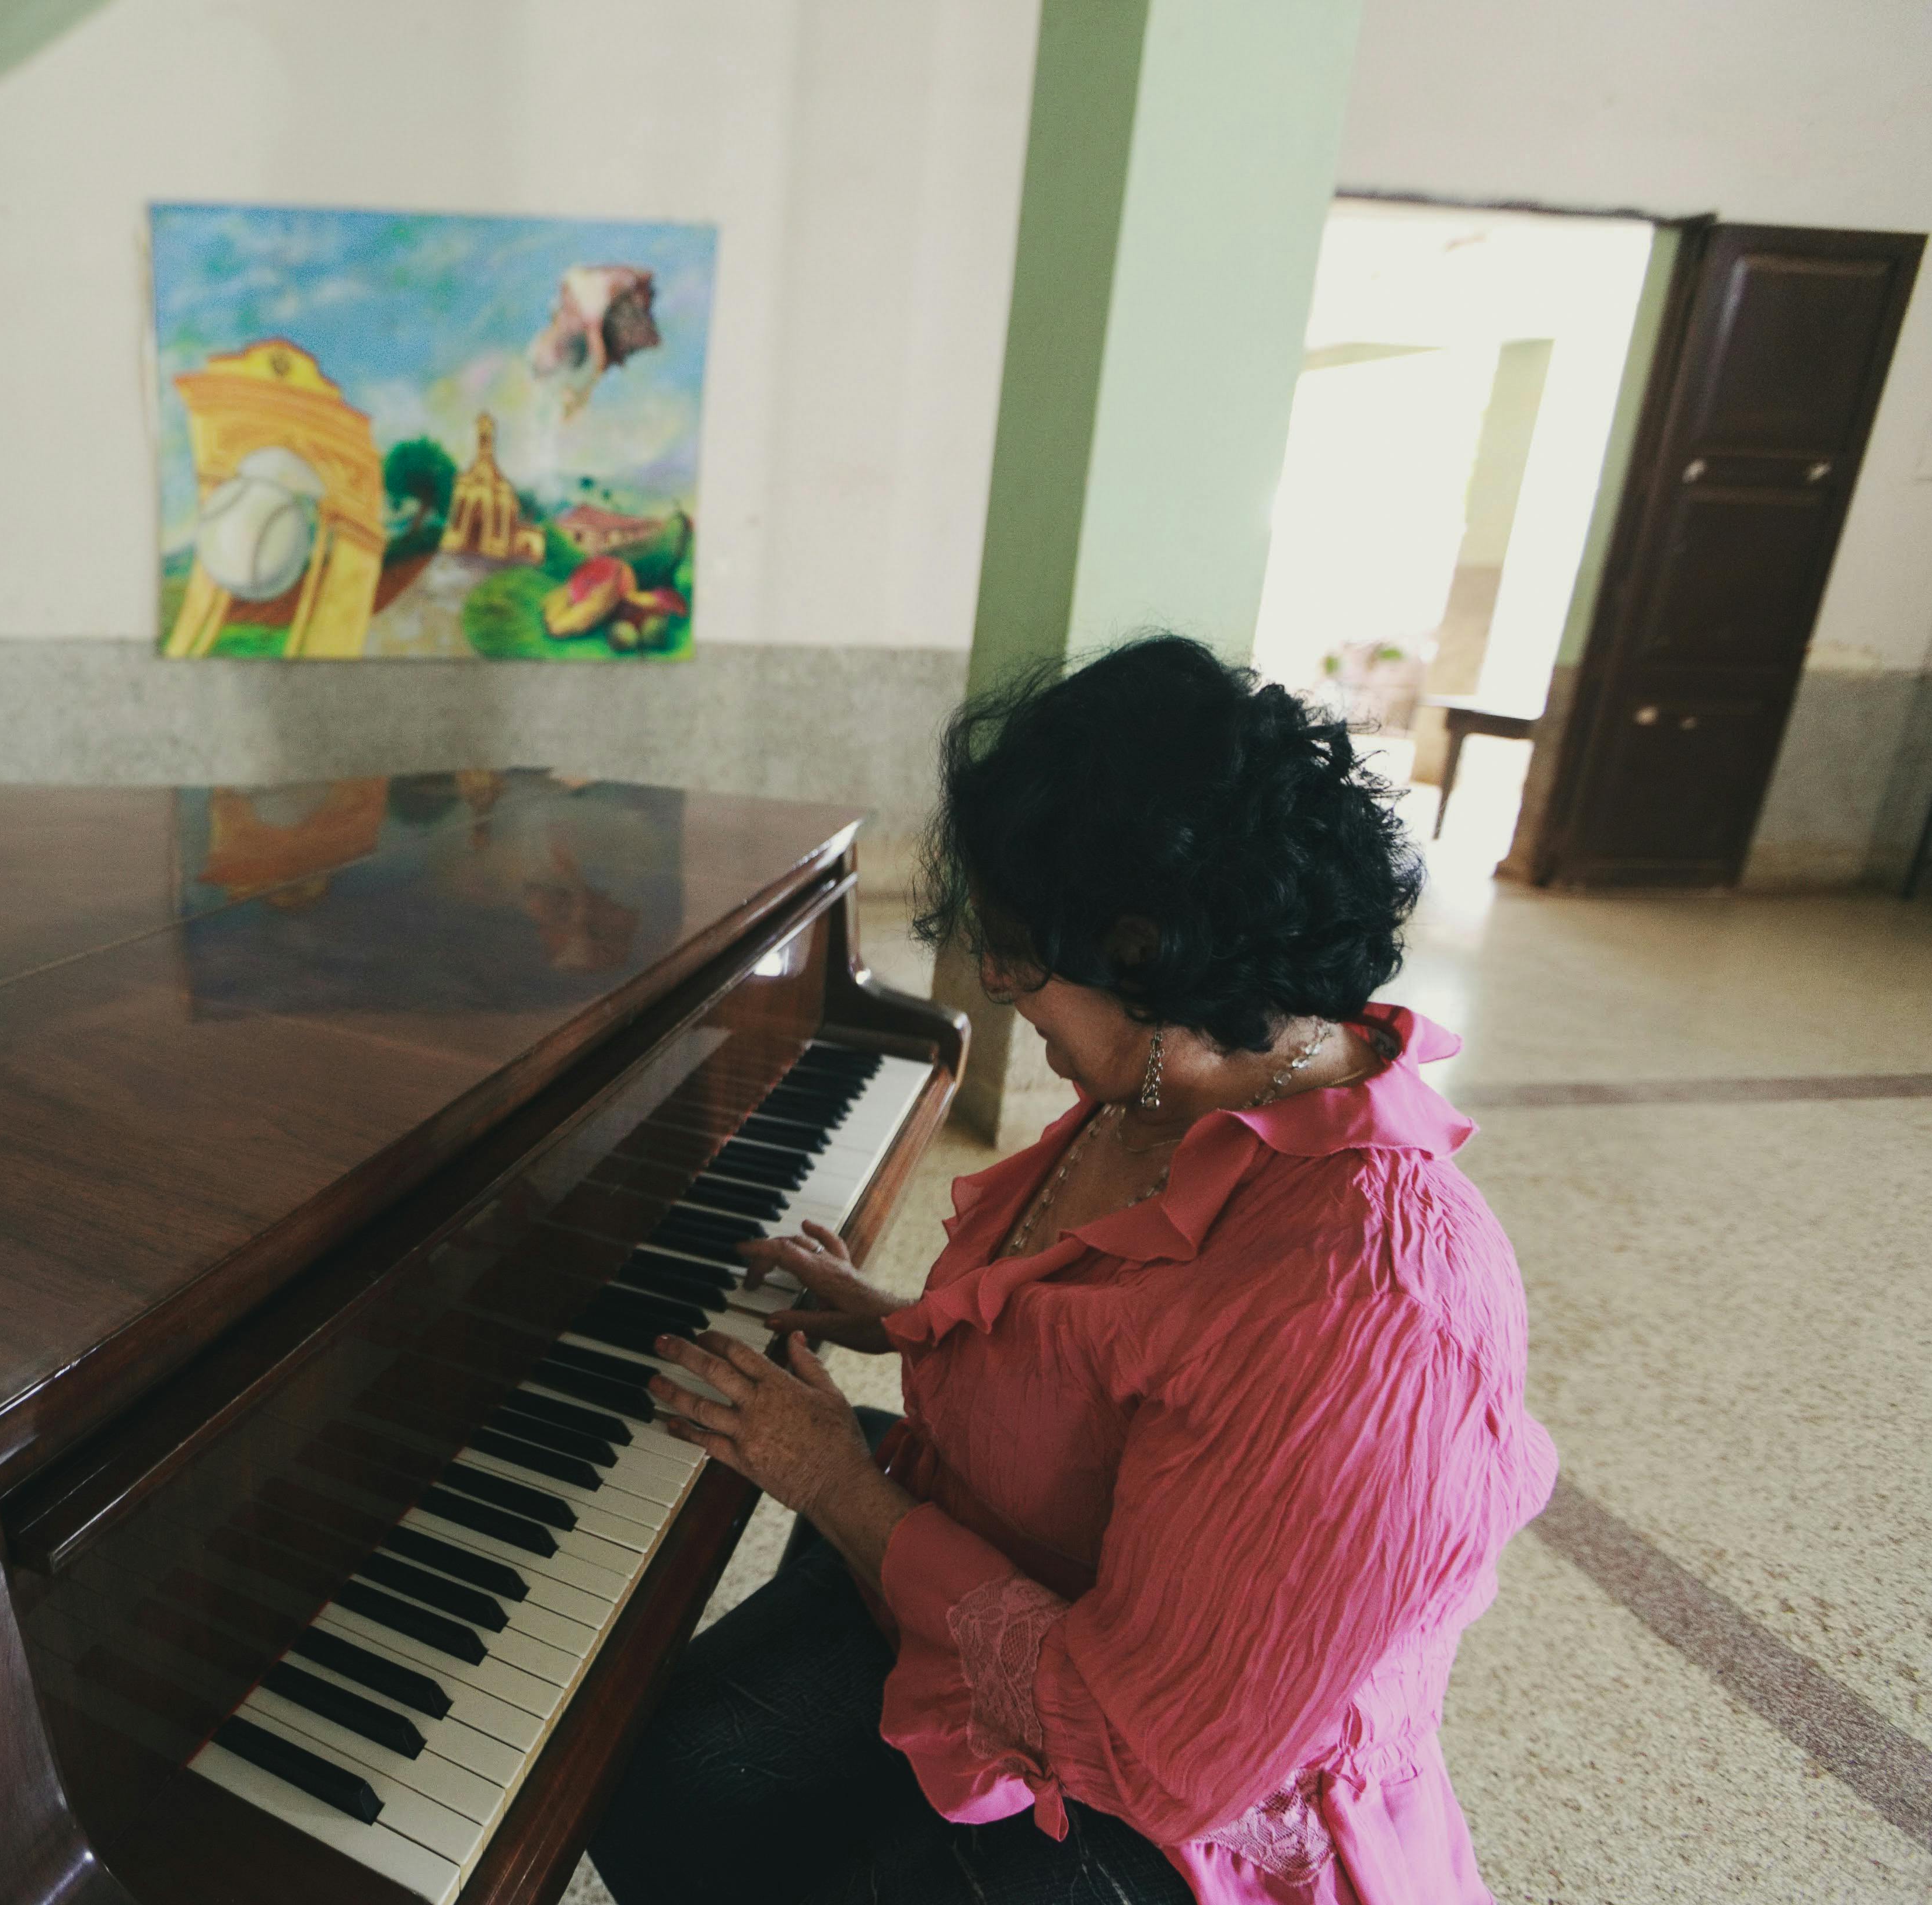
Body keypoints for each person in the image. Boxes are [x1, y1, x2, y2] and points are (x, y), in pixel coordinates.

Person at [589, 636, 1556, 1905]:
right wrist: (901, 1322)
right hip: (993, 1589)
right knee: (663, 1777)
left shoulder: (1367, 1305)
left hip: (1158, 1813)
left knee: (743, 1820)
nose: (996, 987)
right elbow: (1100, 1337)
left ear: (1144, 948)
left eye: (1012, 951)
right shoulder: (1177, 1082)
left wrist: (831, 1480)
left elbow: (1145, 1754)